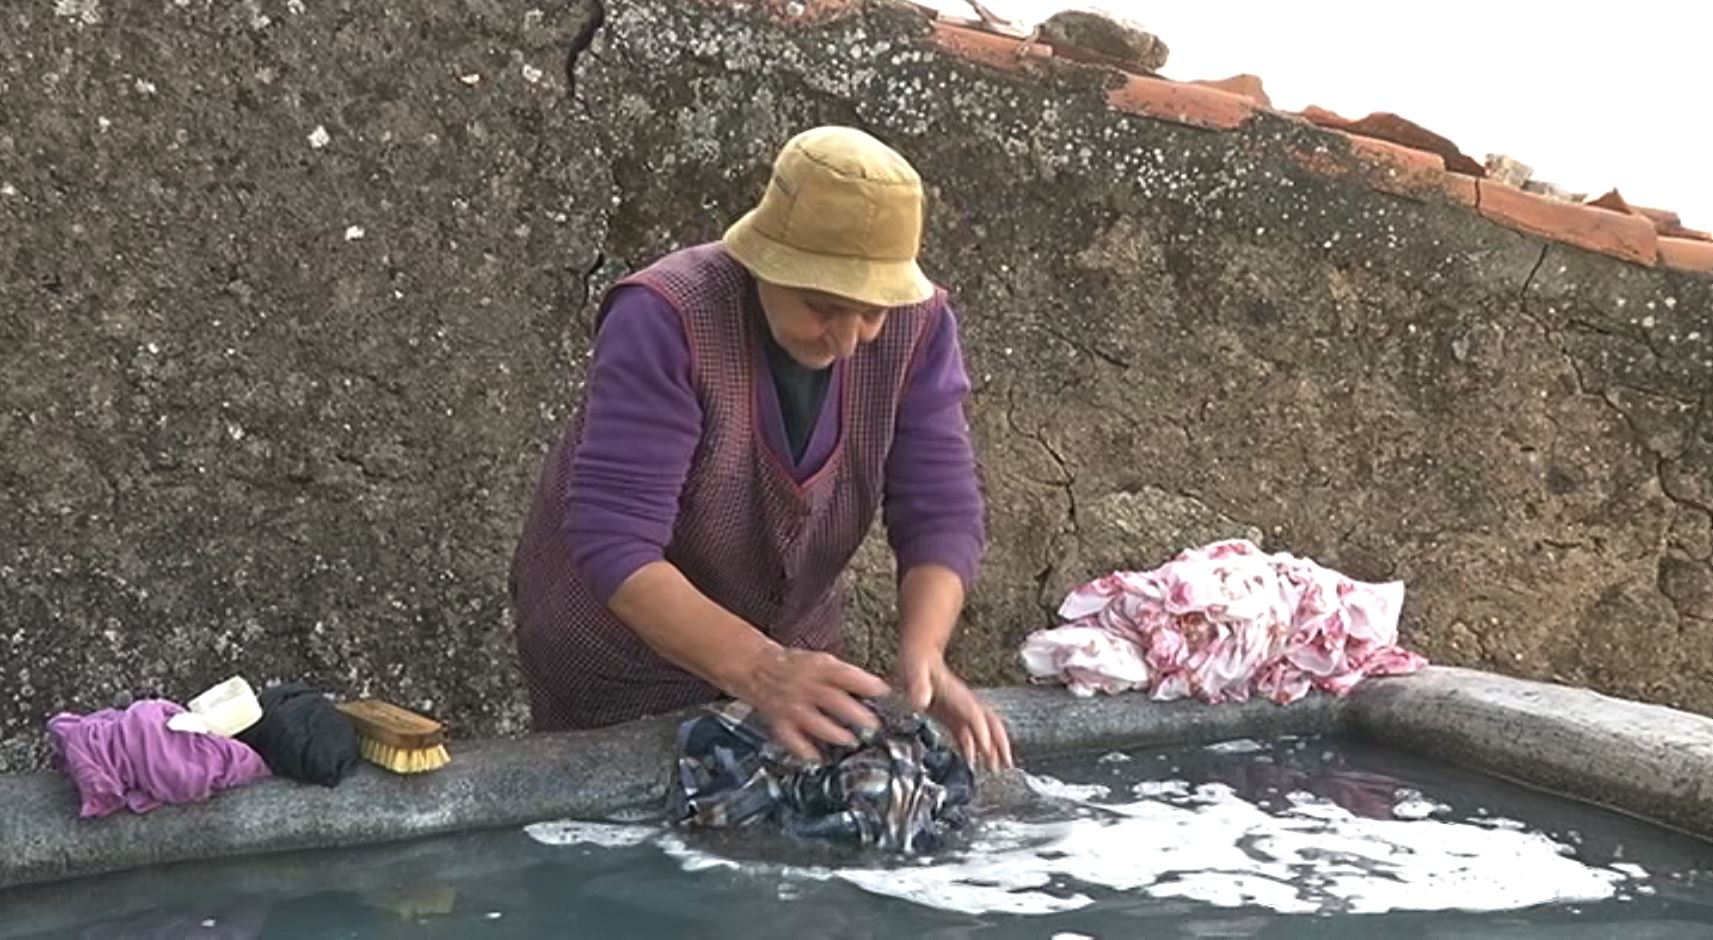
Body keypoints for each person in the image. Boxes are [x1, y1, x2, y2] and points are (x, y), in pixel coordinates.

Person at [510, 126, 1012, 770]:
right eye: (822, 306)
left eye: (872, 312)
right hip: (619, 652)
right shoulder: (665, 316)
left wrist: (924, 655)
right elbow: (616, 541)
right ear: (764, 263)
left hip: (791, 635)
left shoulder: (920, 326)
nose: (849, 339)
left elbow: (939, 509)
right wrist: (761, 669)